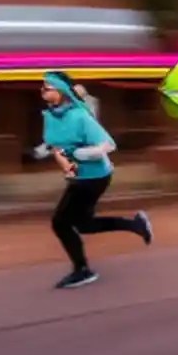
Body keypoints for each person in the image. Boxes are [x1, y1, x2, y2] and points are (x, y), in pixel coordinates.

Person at [39, 71, 152, 289]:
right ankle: (136, 225)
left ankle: (82, 270)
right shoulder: (51, 116)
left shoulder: (80, 117)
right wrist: (42, 150)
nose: (42, 90)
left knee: (60, 222)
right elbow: (54, 142)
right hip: (77, 176)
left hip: (94, 177)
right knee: (83, 224)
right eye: (42, 87)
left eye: (47, 87)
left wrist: (81, 154)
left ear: (61, 92)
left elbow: (108, 144)